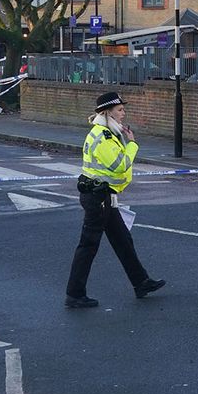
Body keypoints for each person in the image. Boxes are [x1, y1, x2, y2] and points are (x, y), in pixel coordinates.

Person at [65, 91, 164, 308]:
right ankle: (74, 294)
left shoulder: (108, 133)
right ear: (107, 113)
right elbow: (119, 164)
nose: (123, 113)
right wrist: (132, 144)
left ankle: (141, 282)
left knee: (123, 240)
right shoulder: (103, 136)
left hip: (104, 196)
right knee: (88, 245)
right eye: (119, 110)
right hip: (97, 197)